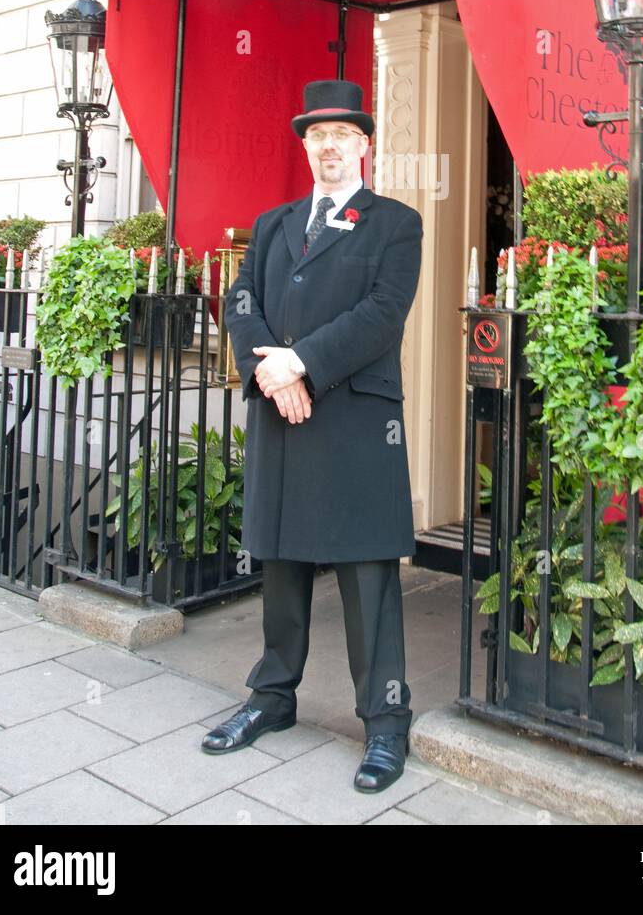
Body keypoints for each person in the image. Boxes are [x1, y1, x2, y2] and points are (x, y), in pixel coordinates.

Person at [201, 78, 423, 793]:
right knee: (281, 563)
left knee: (366, 574)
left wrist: (301, 362)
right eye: (316, 135)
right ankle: (272, 696)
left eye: (342, 134)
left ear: (363, 145)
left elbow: (382, 314)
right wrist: (272, 373)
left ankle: (385, 725)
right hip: (281, 408)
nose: (329, 145)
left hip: (353, 417)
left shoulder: (395, 222)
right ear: (305, 146)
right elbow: (241, 302)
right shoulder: (272, 223)